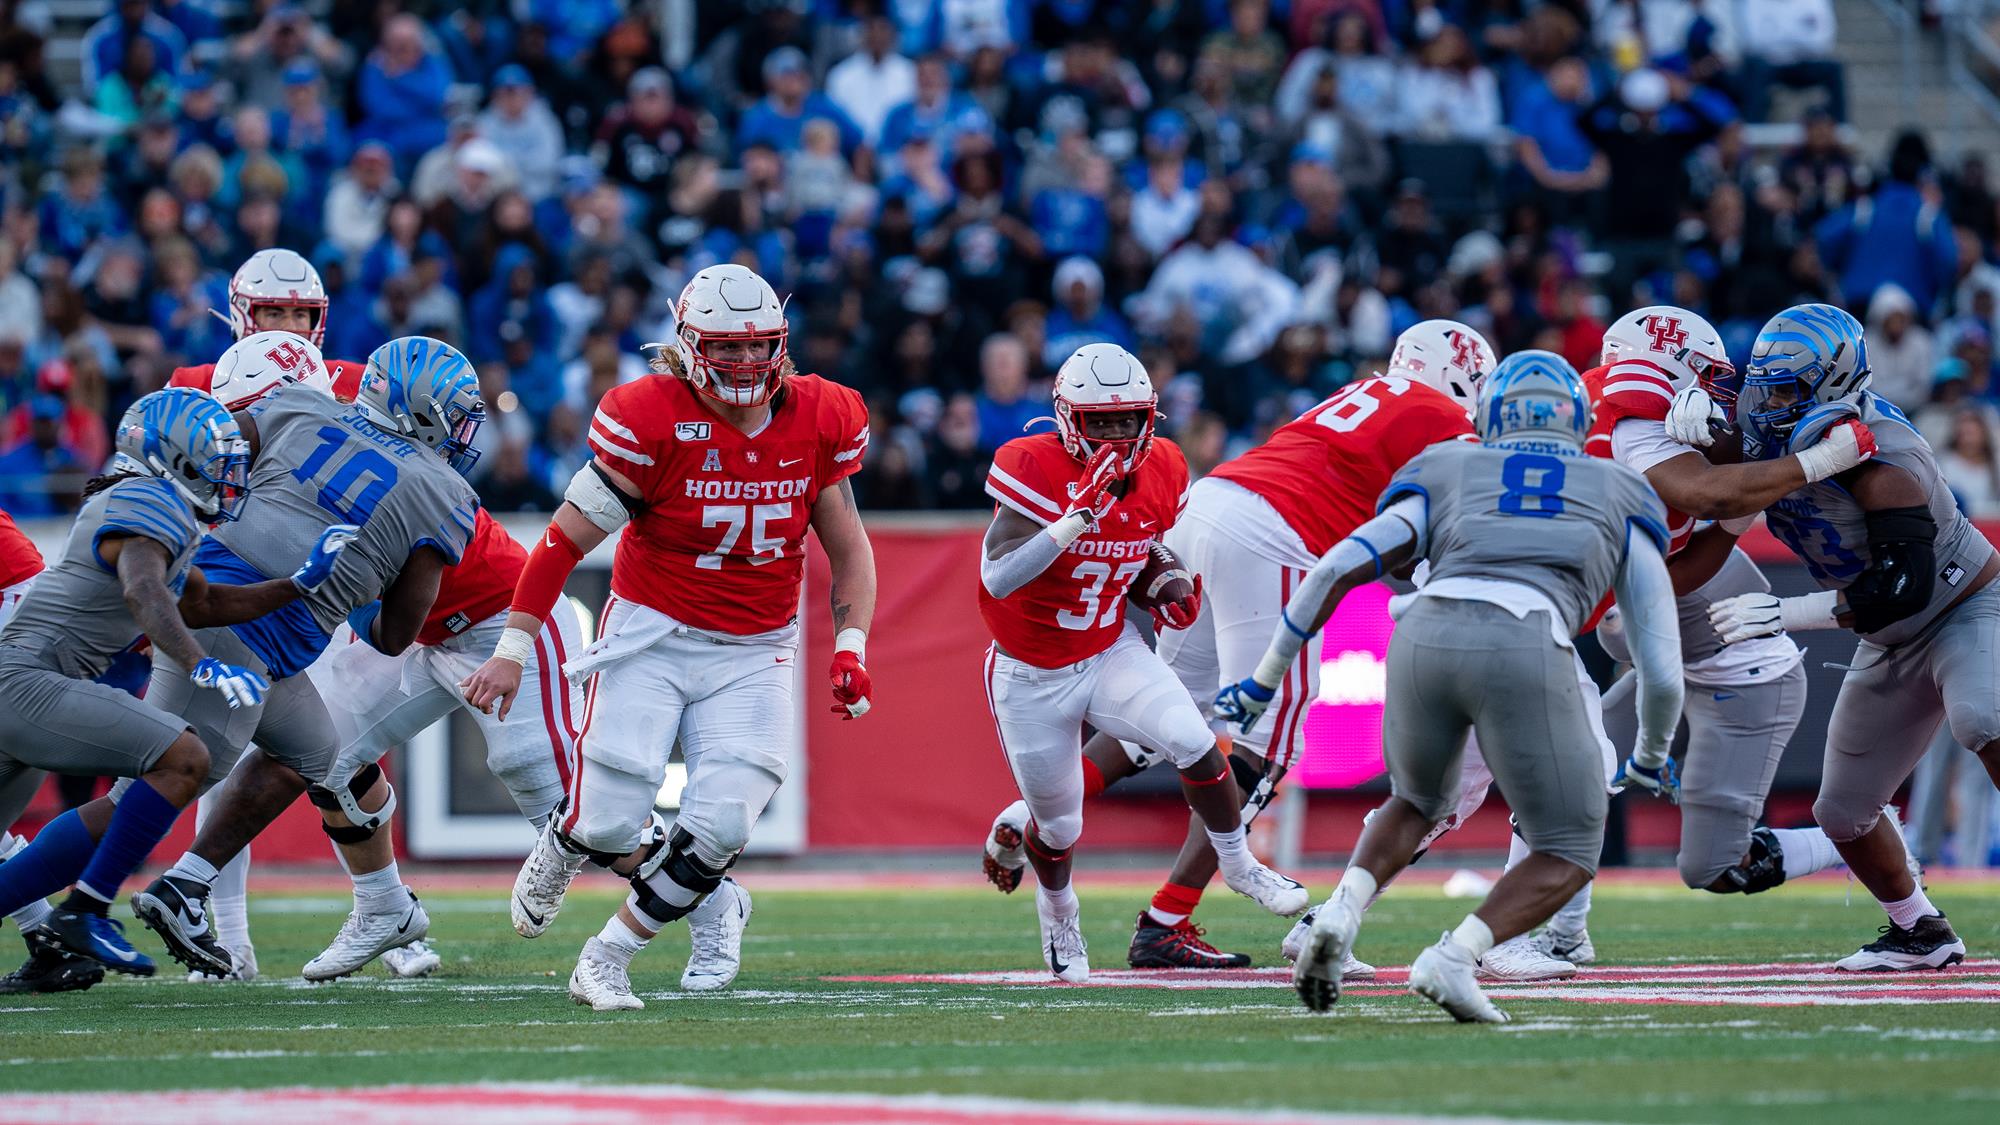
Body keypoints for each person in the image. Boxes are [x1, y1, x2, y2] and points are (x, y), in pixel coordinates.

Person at [978, 322, 1491, 972]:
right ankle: (1168, 916)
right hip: (1276, 536)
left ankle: (1031, 811)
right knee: (1269, 745)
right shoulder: (1445, 420)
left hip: (1213, 502)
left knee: (1168, 715)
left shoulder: (1365, 394)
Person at [459, 264, 878, 1010]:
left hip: (756, 644)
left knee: (721, 823)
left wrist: (851, 646)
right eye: (728, 347)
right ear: (688, 346)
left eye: (760, 346)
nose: (747, 364)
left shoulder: (821, 414)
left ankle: (609, 954)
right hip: (652, 633)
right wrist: (511, 649)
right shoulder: (649, 416)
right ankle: (576, 839)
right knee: (610, 819)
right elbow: (560, 542)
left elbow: (848, 546)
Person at [1221, 351, 1684, 1023]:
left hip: (1422, 633)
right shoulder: (1619, 485)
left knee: (1415, 800)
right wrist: (1650, 749)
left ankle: (1337, 916)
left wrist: (1265, 680)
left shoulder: (1448, 463)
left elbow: (1336, 568)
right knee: (1569, 846)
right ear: (1578, 420)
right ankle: (1460, 954)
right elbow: (1660, 660)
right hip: (1528, 636)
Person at [130, 337, 483, 977]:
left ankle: (186, 883)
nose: (463, 429)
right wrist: (345, 586)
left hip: (203, 596)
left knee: (316, 754)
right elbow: (396, 634)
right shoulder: (445, 491)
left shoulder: (300, 405)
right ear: (420, 410)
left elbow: (209, 444)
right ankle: (67, 909)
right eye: (456, 412)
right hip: (257, 634)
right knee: (159, 776)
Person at [1672, 304, 1999, 971]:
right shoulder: (1768, 430)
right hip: (1891, 638)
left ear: (1835, 383)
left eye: (1787, 388)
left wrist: (1782, 613)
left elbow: (1898, 589)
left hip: (1962, 604)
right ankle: (1920, 931)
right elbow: (1726, 490)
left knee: (1983, 718)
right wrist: (1694, 438)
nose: (1767, 402)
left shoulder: (1889, 457)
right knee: (1844, 811)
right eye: (1764, 384)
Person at [977, 342, 1308, 984]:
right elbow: (997, 577)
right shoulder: (1031, 463)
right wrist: (1075, 519)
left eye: (1126, 420)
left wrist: (1167, 583)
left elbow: (1144, 547)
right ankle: (1058, 907)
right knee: (1060, 823)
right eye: (1099, 421)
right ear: (1069, 418)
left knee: (1192, 737)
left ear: (1148, 417)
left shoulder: (1164, 465)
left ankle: (1237, 863)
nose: (1114, 433)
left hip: (1108, 648)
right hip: (1031, 671)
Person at [0, 389, 352, 976]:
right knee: (183, 756)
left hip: (24, 687)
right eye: (217, 461)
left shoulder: (159, 509)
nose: (230, 474)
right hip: (31, 683)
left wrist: (296, 584)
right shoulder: (147, 497)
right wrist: (198, 665)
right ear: (175, 458)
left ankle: (77, 918)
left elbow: (206, 602)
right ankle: (86, 911)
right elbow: (144, 590)